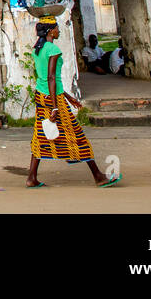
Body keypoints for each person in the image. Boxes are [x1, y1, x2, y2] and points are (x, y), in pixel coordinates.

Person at [25, 17, 121, 189]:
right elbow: (51, 78)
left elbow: (46, 79)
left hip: (42, 96)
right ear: (50, 31)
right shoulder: (53, 49)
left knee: (41, 135)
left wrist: (69, 97)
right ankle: (98, 176)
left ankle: (32, 177)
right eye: (56, 28)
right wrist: (55, 106)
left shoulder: (38, 49)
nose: (59, 31)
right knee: (76, 135)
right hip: (53, 99)